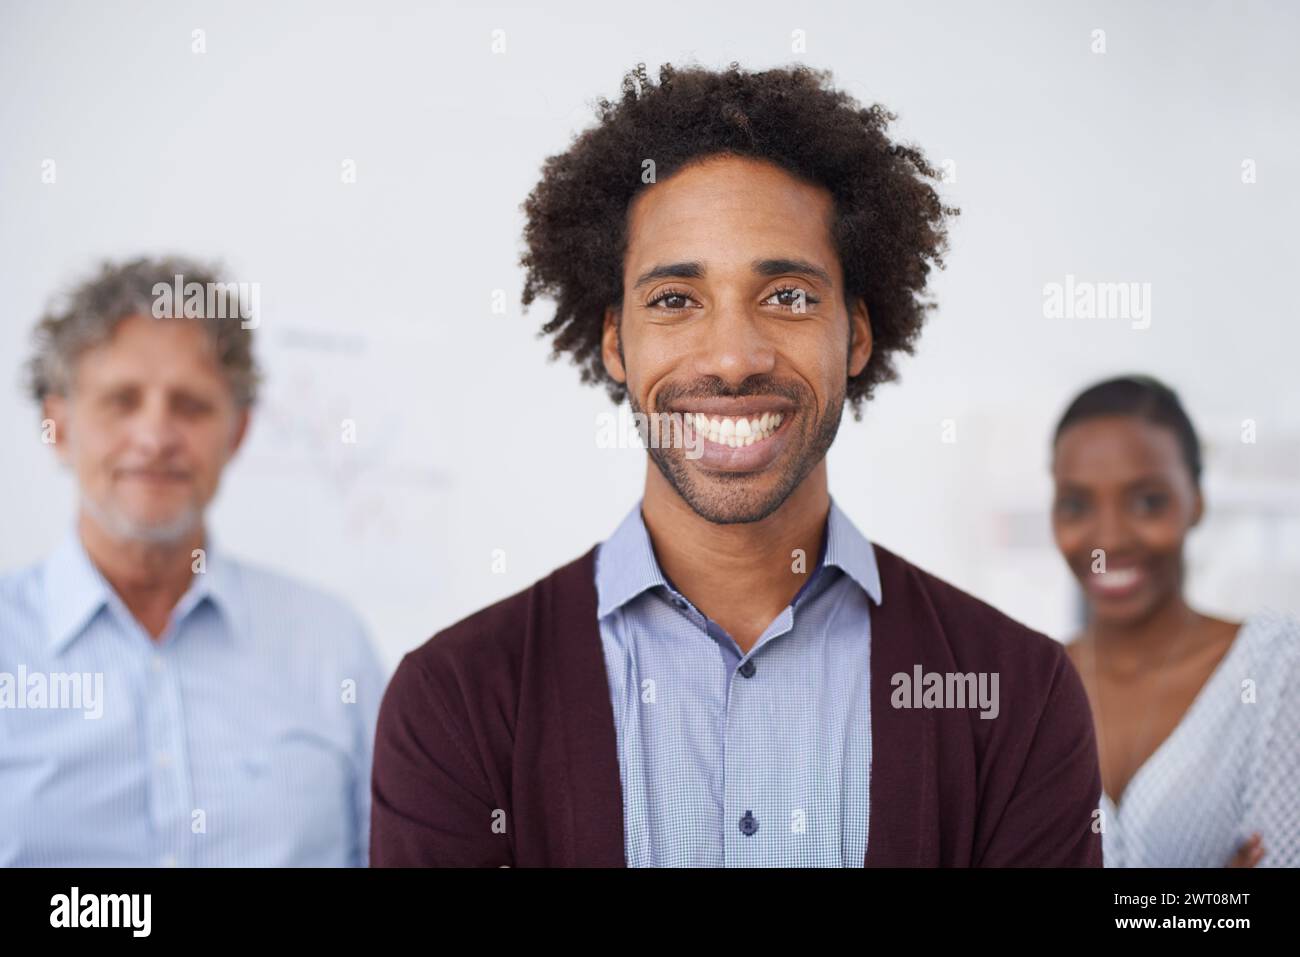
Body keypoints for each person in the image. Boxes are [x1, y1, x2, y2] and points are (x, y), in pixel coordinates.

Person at [372, 62, 1102, 867]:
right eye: (675, 299)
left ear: (856, 334)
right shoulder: (455, 702)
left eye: (787, 295)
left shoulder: (1014, 696)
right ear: (615, 340)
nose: (731, 358)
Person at [0, 257, 384, 866]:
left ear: (236, 433)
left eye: (191, 405)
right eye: (121, 401)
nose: (154, 437)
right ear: (58, 428)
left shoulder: (330, 645)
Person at [1051, 374, 1299, 867]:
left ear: (1197, 502)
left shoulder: (1275, 670)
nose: (1110, 539)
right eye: (1077, 504)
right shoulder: (1024, 686)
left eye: (1148, 501)